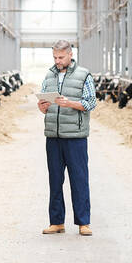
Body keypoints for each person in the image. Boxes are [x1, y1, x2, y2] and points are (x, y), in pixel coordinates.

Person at [37, 40, 97, 236]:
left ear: (70, 55)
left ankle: (83, 223)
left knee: (79, 179)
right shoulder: (49, 75)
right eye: (54, 57)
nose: (57, 61)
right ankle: (56, 222)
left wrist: (70, 103)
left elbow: (90, 103)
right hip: (53, 135)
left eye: (61, 57)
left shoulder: (84, 75)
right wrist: (43, 107)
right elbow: (44, 103)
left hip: (75, 137)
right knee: (55, 180)